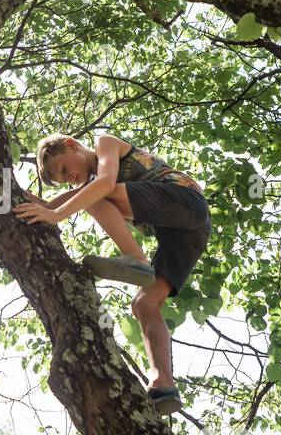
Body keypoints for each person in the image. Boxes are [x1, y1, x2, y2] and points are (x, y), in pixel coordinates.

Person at [12, 132, 212, 415]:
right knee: (144, 304)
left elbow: (104, 184)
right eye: (62, 178)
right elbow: (66, 198)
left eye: (65, 169)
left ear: (71, 145)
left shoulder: (104, 143)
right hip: (187, 233)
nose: (69, 177)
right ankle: (164, 383)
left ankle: (135, 258)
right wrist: (39, 204)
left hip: (185, 200)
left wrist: (56, 215)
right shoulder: (92, 184)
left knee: (94, 194)